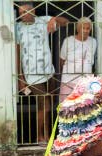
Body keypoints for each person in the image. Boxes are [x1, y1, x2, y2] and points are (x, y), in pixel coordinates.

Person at [15, 2, 68, 143]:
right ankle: (39, 137)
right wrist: (20, 78)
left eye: (24, 12)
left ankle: (47, 134)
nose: (22, 16)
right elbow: (17, 53)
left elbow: (66, 22)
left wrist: (54, 19)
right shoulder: (18, 28)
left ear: (32, 10)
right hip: (31, 74)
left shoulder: (43, 21)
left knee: (48, 106)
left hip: (48, 71)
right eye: (20, 14)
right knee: (44, 105)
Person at [59, 18, 96, 102]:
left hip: (85, 81)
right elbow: (62, 60)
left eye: (88, 28)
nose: (86, 31)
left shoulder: (93, 42)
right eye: (83, 28)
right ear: (78, 29)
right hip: (68, 80)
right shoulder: (68, 41)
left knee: (83, 107)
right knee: (66, 106)